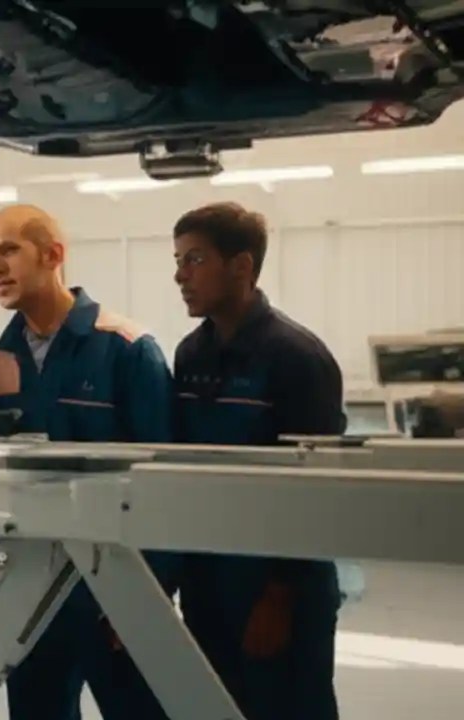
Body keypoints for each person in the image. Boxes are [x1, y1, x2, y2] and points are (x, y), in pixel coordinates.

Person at [0, 204, 175, 720]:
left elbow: (165, 484)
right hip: (30, 591)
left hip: (115, 587)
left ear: (53, 255)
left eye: (9, 250)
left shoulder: (127, 349)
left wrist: (151, 596)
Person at [171, 201, 344, 720]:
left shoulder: (298, 358)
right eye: (178, 261)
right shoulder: (190, 355)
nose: (180, 276)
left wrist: (279, 596)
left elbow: (315, 490)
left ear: (242, 266)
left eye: (195, 259)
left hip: (278, 583)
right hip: (208, 579)